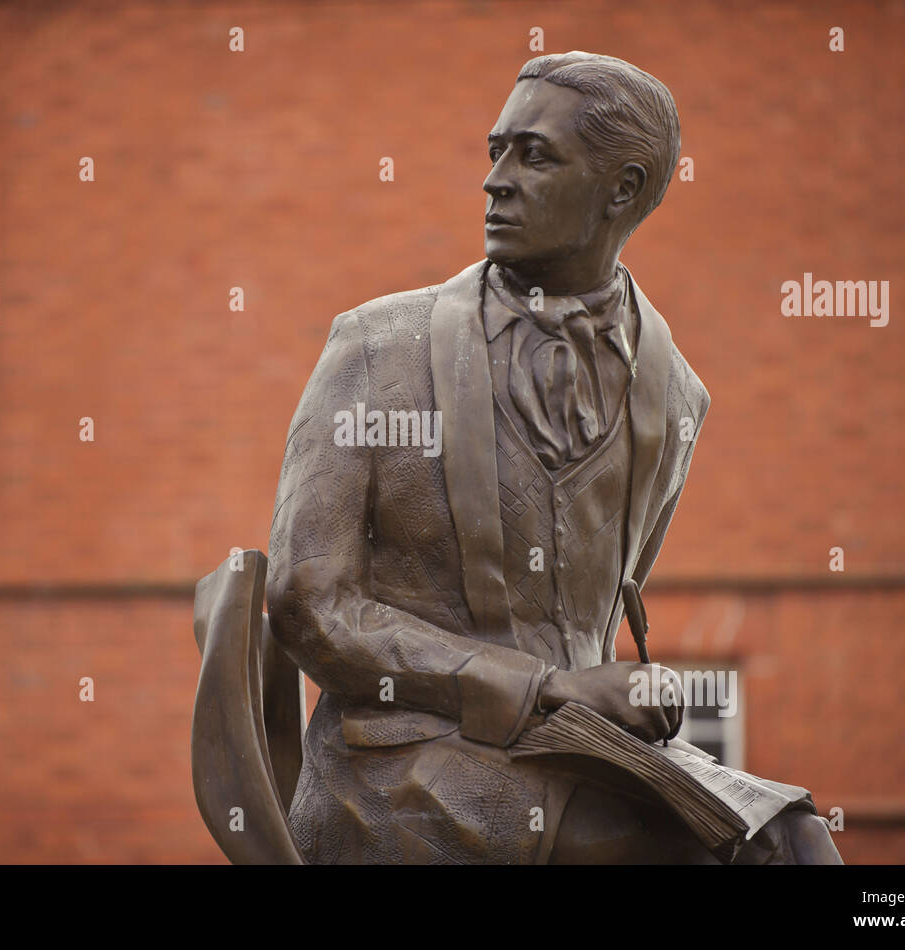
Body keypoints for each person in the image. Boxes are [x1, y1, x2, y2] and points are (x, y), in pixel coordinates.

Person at [266, 51, 841, 864]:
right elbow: (307, 602)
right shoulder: (375, 349)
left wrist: (622, 686)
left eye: (533, 155)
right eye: (495, 150)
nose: (494, 180)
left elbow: (590, 624)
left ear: (625, 189)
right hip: (402, 763)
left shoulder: (676, 395)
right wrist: (545, 687)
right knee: (664, 853)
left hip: (578, 752)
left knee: (799, 842)